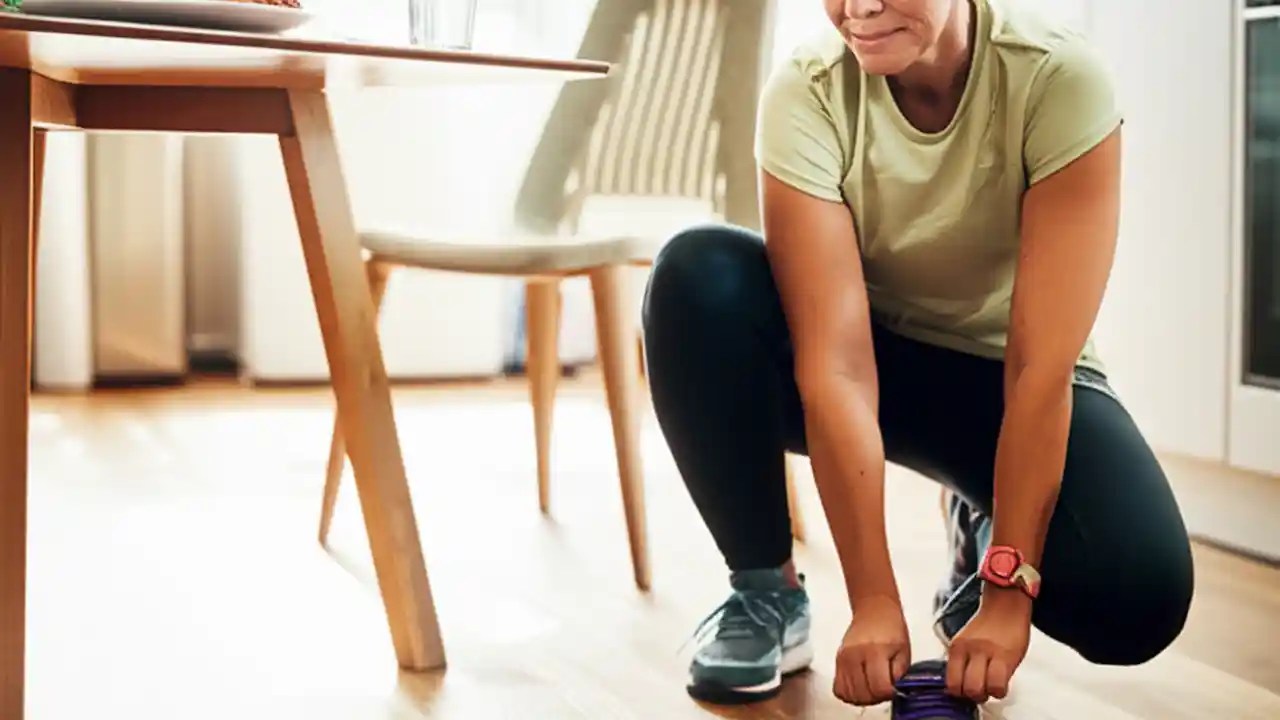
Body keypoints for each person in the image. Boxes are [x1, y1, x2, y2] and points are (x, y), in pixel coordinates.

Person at [641, 0, 1195, 708]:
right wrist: (873, 600)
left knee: (1140, 594)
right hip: (872, 360)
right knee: (695, 276)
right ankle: (765, 595)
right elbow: (836, 367)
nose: (859, 8)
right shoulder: (808, 91)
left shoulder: (1060, 79)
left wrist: (1007, 589)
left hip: (1008, 376)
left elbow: (1039, 369)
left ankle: (981, 527)